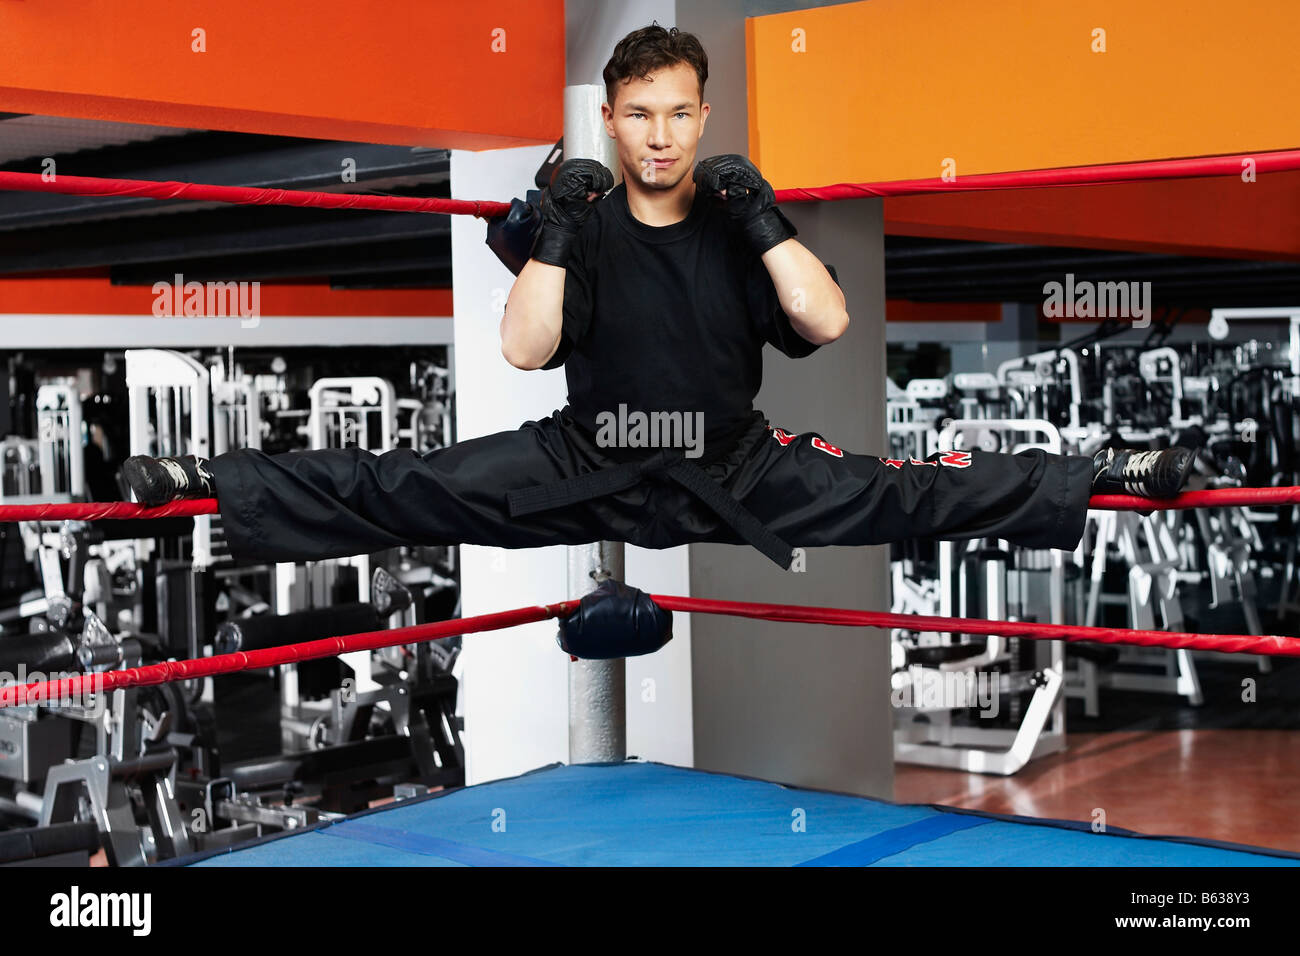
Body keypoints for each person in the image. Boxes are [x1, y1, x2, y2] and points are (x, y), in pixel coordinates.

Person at [121, 24, 1193, 570]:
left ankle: (1115, 470)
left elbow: (826, 322)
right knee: (403, 482)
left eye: (679, 113)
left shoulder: (738, 219)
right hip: (587, 460)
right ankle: (195, 479)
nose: (661, 134)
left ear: (702, 114)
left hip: (736, 464)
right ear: (612, 120)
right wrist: (552, 226)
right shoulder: (577, 220)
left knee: (913, 489)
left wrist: (767, 217)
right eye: (639, 114)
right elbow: (524, 352)